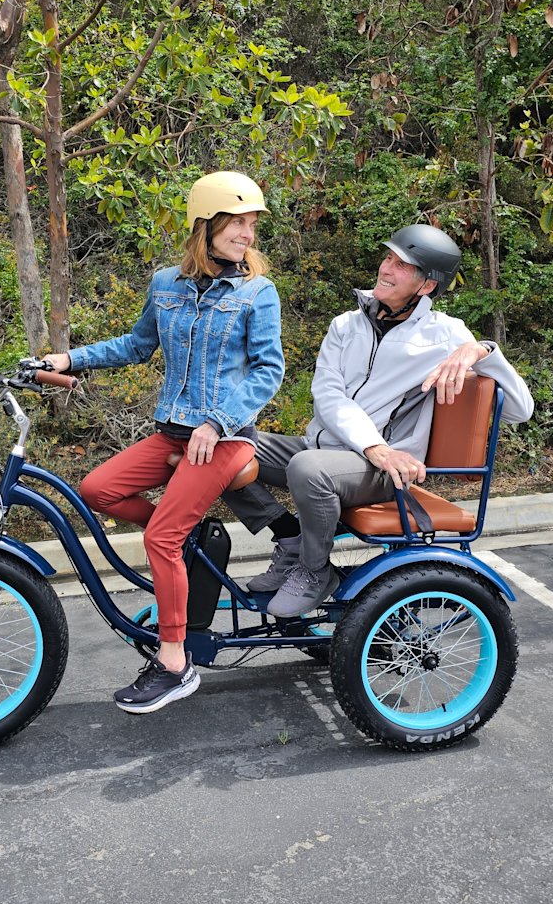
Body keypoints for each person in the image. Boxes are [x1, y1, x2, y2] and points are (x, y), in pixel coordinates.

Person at [44, 171, 284, 714]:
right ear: (207, 225)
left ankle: (175, 664)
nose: (246, 234)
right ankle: (182, 534)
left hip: (225, 440)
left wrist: (216, 422)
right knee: (96, 489)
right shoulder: (166, 285)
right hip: (174, 432)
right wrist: (68, 359)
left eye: (251, 225)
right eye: (237, 223)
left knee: (162, 539)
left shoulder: (255, 292)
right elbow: (137, 344)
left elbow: (269, 371)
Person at [223, 223, 535, 617]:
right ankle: (290, 539)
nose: (386, 268)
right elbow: (328, 394)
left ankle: (314, 570)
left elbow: (521, 410)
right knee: (224, 444)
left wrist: (481, 351)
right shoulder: (345, 325)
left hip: (385, 471)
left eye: (402, 265)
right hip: (334, 450)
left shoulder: (445, 334)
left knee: (308, 468)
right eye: (388, 257)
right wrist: (373, 445)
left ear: (426, 287)